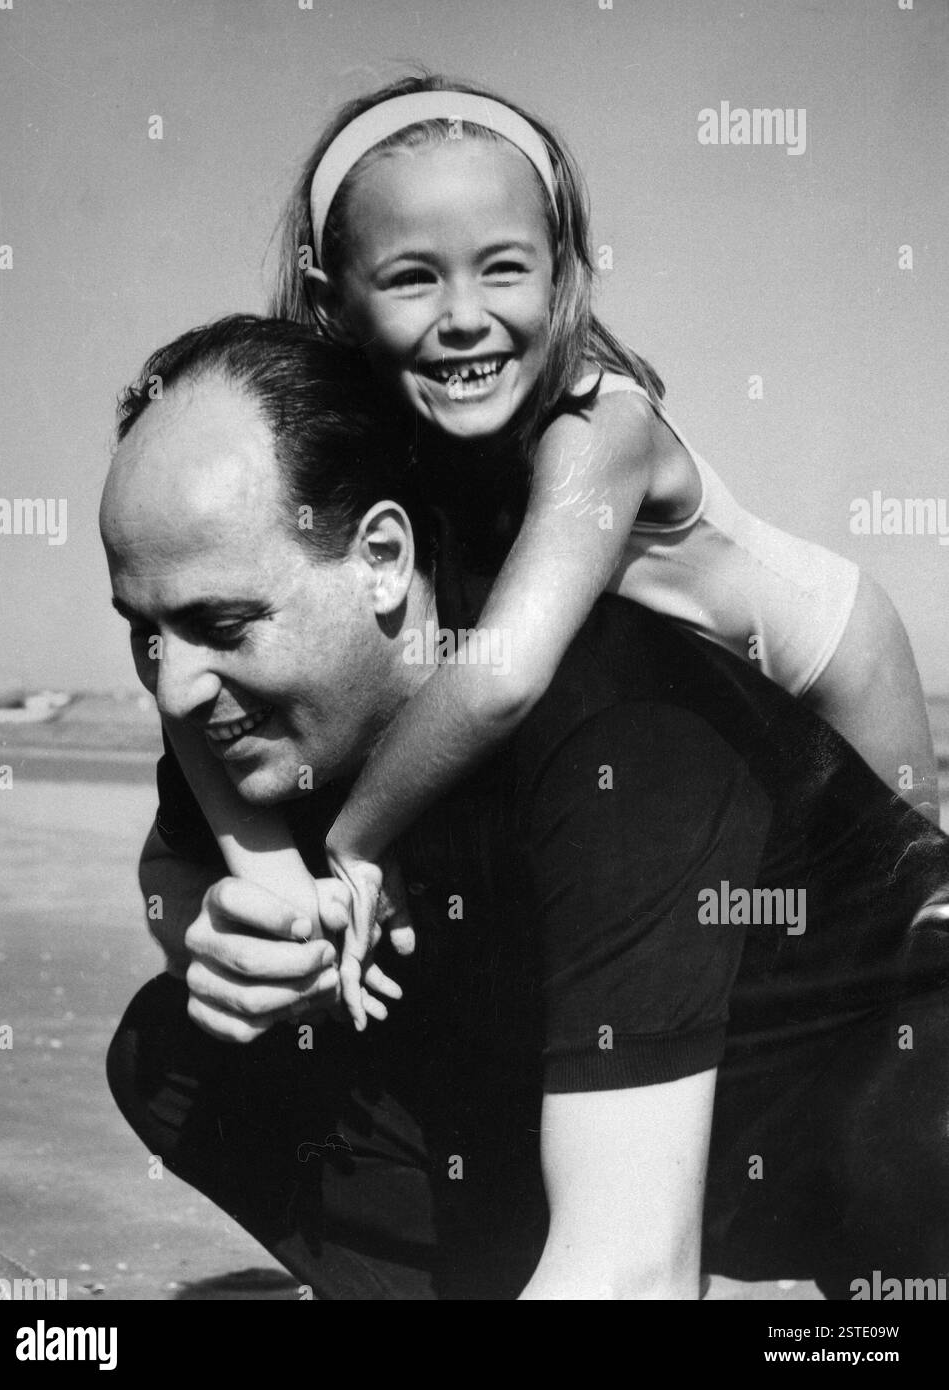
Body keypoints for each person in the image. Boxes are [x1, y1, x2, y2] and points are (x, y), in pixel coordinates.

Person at [101, 316, 949, 1300]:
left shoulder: (611, 727)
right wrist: (227, 939)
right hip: (602, 1080)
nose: (174, 689)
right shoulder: (261, 724)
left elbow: (627, 1274)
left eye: (218, 624)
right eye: (146, 633)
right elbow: (178, 859)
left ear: (382, 555)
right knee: (177, 1053)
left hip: (836, 1093)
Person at [160, 75, 938, 1028]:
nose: (463, 315)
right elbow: (188, 643)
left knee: (901, 950)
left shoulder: (597, 429)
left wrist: (353, 846)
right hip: (676, 692)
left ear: (564, 271)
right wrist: (269, 873)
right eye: (412, 276)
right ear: (332, 302)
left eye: (504, 268)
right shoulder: (372, 434)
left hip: (823, 666)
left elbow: (500, 677)